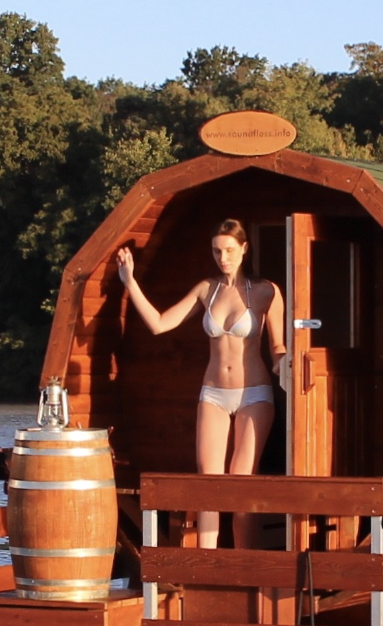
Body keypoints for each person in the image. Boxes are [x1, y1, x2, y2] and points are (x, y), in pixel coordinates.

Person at [116, 218, 287, 543]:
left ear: (244, 249)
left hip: (254, 393)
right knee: (208, 484)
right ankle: (207, 569)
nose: (223, 257)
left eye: (229, 250)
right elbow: (160, 324)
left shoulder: (266, 291)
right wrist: (130, 282)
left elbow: (277, 345)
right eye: (217, 251)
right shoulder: (206, 290)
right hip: (213, 394)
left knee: (241, 485)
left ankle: (242, 571)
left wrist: (284, 364)